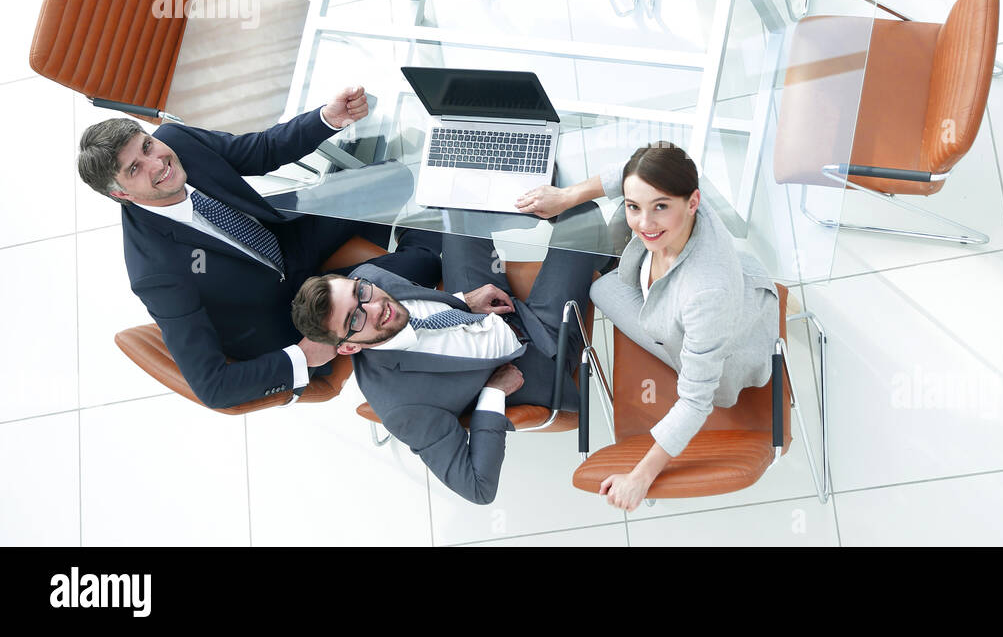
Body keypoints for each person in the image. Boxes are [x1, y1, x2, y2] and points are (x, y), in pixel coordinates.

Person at [77, 87, 442, 409]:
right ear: (121, 194)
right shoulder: (155, 274)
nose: (158, 163)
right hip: (286, 311)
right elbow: (213, 387)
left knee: (394, 178)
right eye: (135, 168)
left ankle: (404, 234)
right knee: (422, 265)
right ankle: (439, 255)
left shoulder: (178, 141)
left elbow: (261, 150)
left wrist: (326, 119)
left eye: (147, 146)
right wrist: (301, 355)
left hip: (284, 239)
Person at [516, 142, 779, 511]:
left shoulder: (705, 292)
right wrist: (567, 196)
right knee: (603, 282)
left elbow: (696, 401)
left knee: (603, 286)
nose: (644, 223)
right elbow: (630, 171)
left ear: (693, 202)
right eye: (633, 206)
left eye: (660, 207)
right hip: (724, 292)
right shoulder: (680, 180)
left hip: (722, 362)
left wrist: (641, 476)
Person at [290, 226, 605, 504]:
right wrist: (492, 395)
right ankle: (607, 265)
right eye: (355, 318)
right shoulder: (404, 409)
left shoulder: (370, 278)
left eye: (360, 293)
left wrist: (463, 301)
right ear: (347, 347)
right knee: (583, 216)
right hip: (537, 350)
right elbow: (478, 488)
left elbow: (420, 309)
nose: (376, 307)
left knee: (458, 210)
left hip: (484, 309)